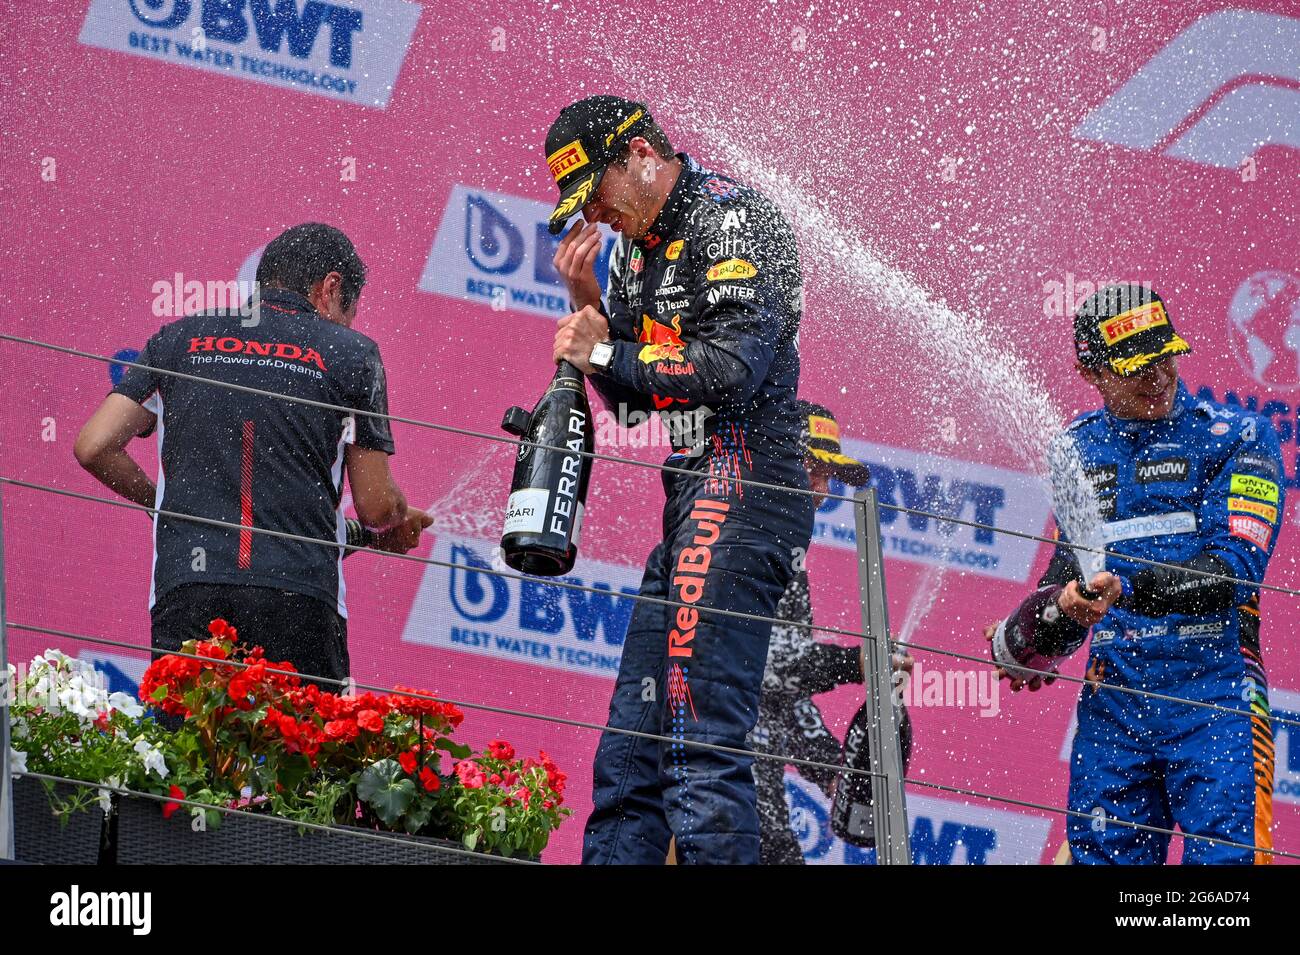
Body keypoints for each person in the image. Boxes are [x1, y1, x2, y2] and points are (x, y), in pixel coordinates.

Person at [546, 95, 811, 864]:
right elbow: (635, 406)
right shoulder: (629, 252)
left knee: (699, 743)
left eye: (596, 191)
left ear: (642, 156)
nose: (595, 211)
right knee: (633, 746)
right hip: (690, 488)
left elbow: (730, 370)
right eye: (581, 202)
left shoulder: (735, 219)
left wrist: (598, 351)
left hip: (745, 472)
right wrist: (591, 313)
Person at [988, 283, 1284, 864]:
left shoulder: (1241, 437)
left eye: (1165, 356)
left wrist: (1129, 586)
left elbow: (1235, 571)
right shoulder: (1075, 448)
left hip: (1216, 697)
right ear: (1088, 371)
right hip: (1115, 705)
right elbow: (1069, 579)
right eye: (1135, 367)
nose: (1157, 377)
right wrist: (1045, 626)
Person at [75, 223, 431, 685]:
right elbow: (378, 505)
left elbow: (94, 446)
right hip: (300, 598)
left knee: (194, 755)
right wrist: (395, 519)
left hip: (190, 588)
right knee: (301, 754)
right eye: (351, 312)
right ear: (331, 287)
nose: (349, 326)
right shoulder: (352, 353)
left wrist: (162, 507)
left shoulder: (181, 339)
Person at [749, 400, 913, 864]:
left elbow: (779, 698)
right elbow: (756, 663)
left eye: (828, 475)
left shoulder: (785, 546)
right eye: (812, 471)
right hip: (707, 768)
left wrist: (832, 772)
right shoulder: (739, 532)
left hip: (745, 775)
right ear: (776, 460)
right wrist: (859, 663)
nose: (823, 491)